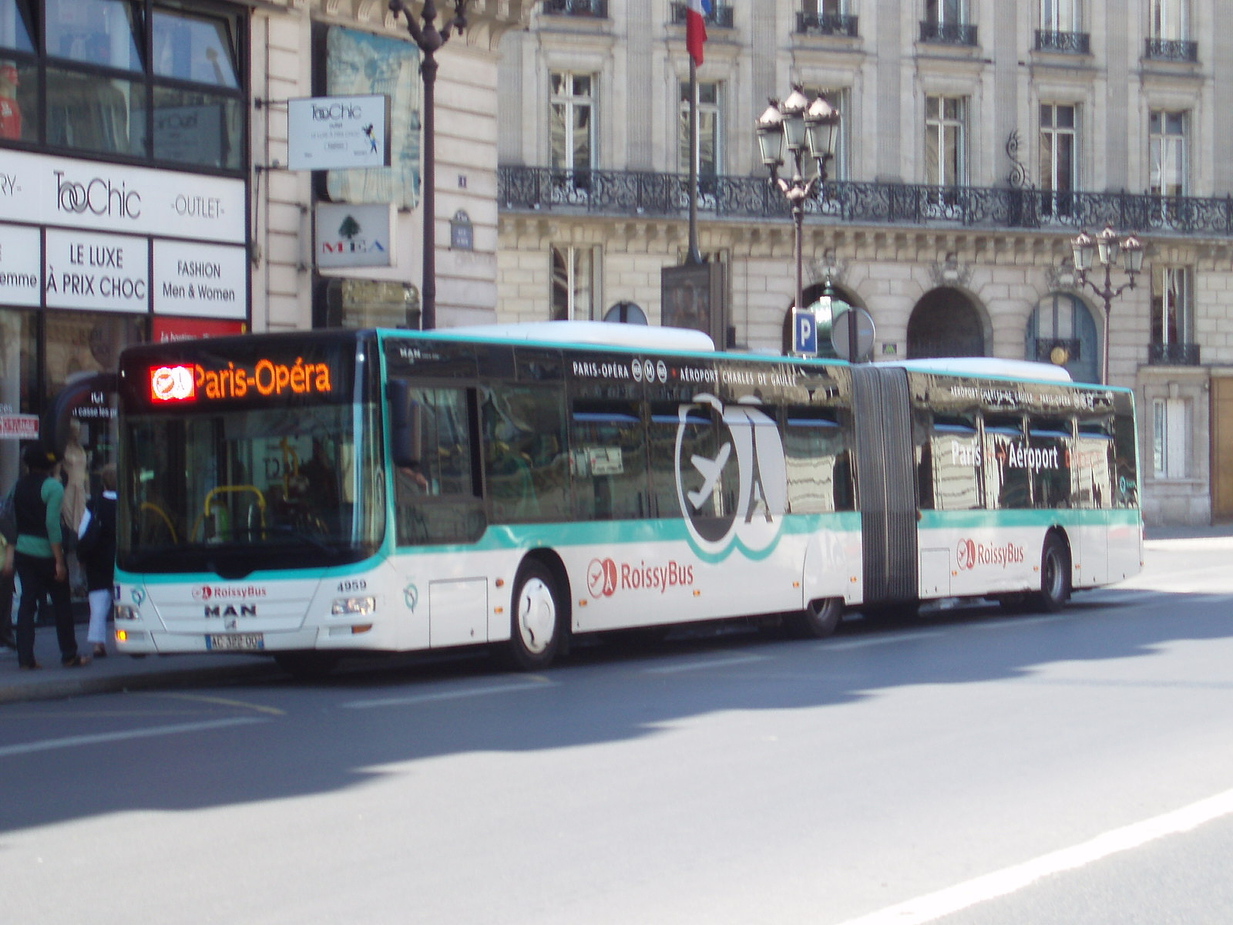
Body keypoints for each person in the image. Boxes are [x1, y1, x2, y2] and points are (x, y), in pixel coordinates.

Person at [7, 443, 89, 669]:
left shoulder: (17, 486)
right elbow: (52, 525)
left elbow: (10, 517)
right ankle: (69, 654)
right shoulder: (53, 487)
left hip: (23, 551)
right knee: (62, 604)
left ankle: (26, 658)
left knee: (27, 603)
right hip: (46, 553)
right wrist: (59, 560)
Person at [78, 463, 117, 658]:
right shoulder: (128, 504)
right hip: (121, 560)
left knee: (98, 604)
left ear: (103, 482)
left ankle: (98, 643)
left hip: (97, 559)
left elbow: (83, 532)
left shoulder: (94, 504)